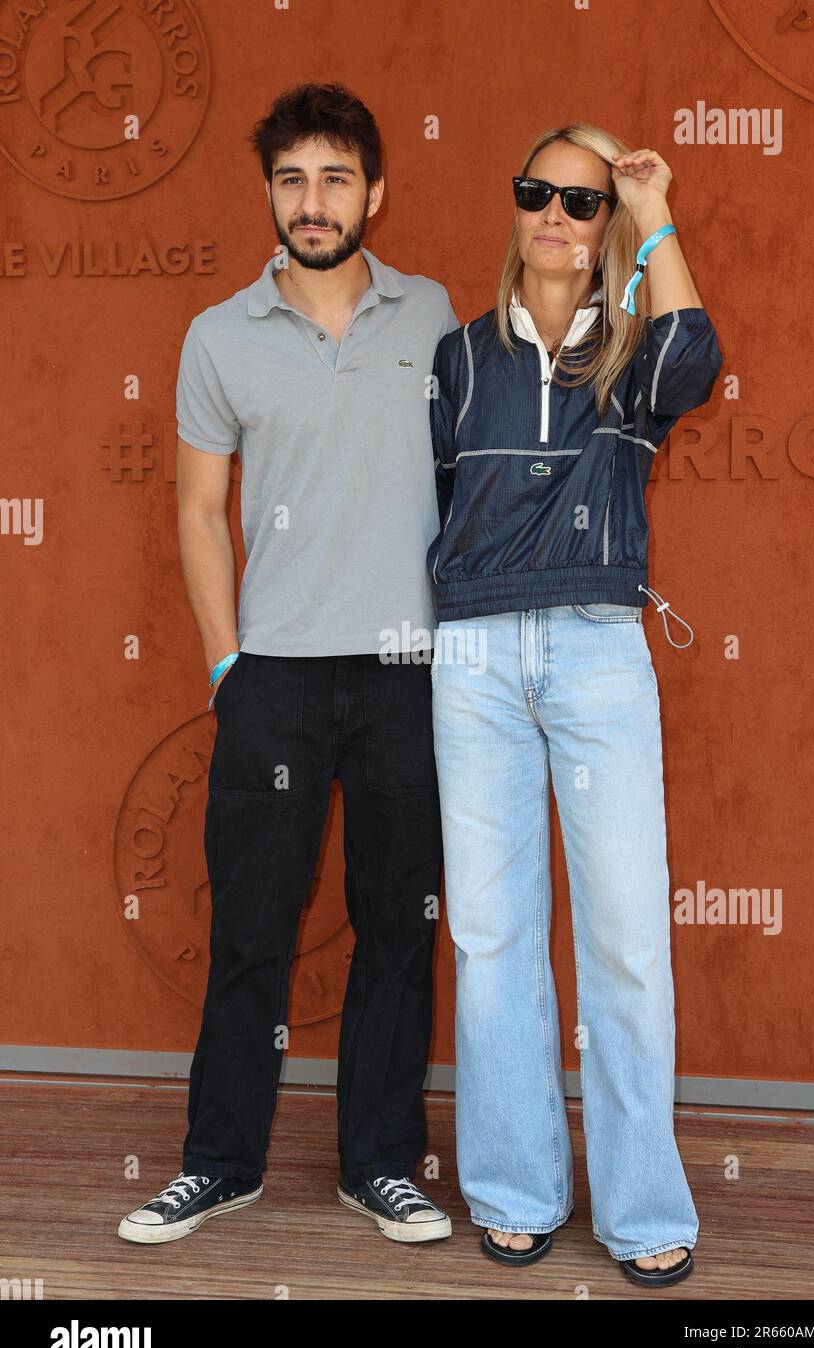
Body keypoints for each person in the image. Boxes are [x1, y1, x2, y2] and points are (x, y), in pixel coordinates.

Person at [117, 82, 457, 1247]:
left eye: (336, 178)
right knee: (251, 926)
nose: (313, 203)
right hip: (274, 679)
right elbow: (199, 511)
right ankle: (219, 1162)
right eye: (292, 180)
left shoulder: (434, 317)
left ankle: (381, 1163)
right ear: (270, 192)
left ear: (376, 189)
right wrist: (228, 666)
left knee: (396, 924)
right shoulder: (218, 337)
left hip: (410, 675)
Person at [427, 124, 723, 1287]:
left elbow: (699, 354)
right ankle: (513, 1187)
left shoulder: (636, 354)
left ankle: (645, 1204)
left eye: (582, 201)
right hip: (477, 661)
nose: (556, 213)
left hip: (599, 652)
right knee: (493, 936)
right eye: (536, 192)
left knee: (626, 938)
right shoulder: (456, 355)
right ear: (514, 208)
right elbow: (435, 510)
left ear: (605, 227)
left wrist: (653, 203)